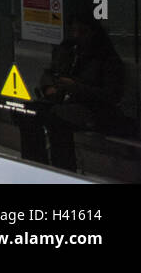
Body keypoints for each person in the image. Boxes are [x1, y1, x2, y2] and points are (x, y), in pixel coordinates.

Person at [21, 15, 127, 171]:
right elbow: (49, 73)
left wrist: (76, 87)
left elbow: (111, 95)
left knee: (56, 118)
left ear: (93, 33)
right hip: (63, 103)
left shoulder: (107, 59)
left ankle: (63, 170)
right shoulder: (69, 51)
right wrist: (49, 87)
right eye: (74, 30)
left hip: (92, 109)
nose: (77, 35)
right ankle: (36, 166)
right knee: (26, 112)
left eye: (82, 31)